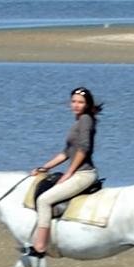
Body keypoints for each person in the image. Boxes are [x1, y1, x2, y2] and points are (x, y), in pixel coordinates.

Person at [29, 86, 103, 256]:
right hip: (77, 172)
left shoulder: (85, 120)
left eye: (80, 102)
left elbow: (83, 149)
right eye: (74, 101)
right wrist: (44, 168)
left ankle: (40, 246)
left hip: (84, 174)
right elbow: (65, 152)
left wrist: (69, 173)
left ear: (87, 104)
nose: (76, 105)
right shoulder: (78, 122)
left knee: (44, 200)